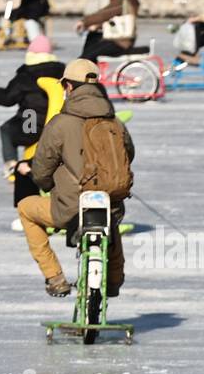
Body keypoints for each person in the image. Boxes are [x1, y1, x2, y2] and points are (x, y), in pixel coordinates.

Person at [16, 59, 134, 298]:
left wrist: (46, 184)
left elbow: (42, 166)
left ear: (69, 87)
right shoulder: (115, 122)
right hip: (109, 203)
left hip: (70, 206)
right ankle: (113, 280)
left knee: (26, 209)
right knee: (111, 222)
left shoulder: (60, 123)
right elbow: (128, 154)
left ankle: (55, 277)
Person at [0, 33, 61, 185]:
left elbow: (8, 99)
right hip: (58, 125)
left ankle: (12, 166)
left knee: (7, 130)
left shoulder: (26, 75)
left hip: (32, 124)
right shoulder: (62, 71)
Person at [76, 0, 140, 62]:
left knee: (87, 56)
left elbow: (103, 14)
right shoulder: (127, 0)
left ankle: (83, 67)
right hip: (122, 39)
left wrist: (84, 22)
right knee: (93, 37)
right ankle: (89, 67)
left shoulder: (122, 0)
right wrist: (97, 26)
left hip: (120, 41)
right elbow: (113, 19)